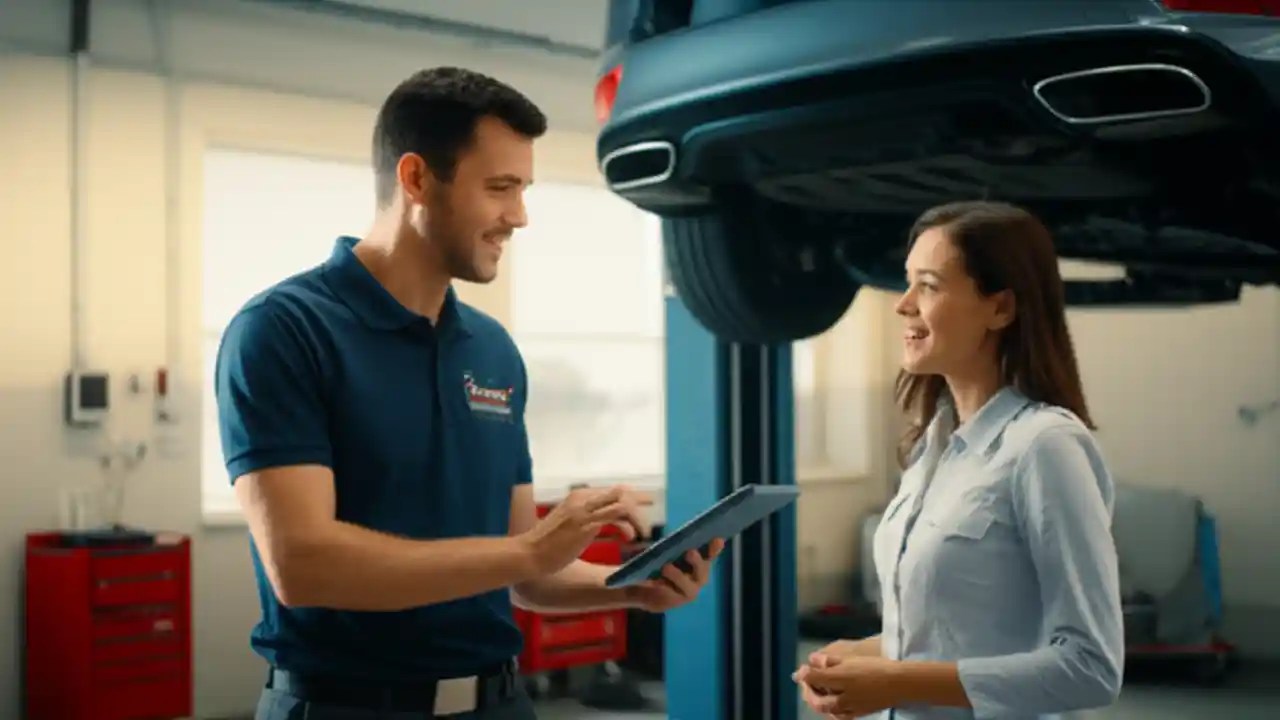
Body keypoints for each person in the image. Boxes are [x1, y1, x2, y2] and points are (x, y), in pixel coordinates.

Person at [215, 66, 724, 720]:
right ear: (416, 179)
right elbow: (304, 564)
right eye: (500, 188)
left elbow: (527, 577)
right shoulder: (284, 332)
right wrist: (529, 549)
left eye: (523, 189)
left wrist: (631, 587)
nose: (519, 216)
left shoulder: (491, 351)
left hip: (497, 703)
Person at [793, 201, 1124, 719]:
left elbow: (1090, 667)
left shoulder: (1045, 447)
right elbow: (964, 633)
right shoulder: (934, 445)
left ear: (1001, 308)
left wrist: (896, 680)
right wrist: (864, 656)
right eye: (907, 283)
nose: (902, 305)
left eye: (928, 285)